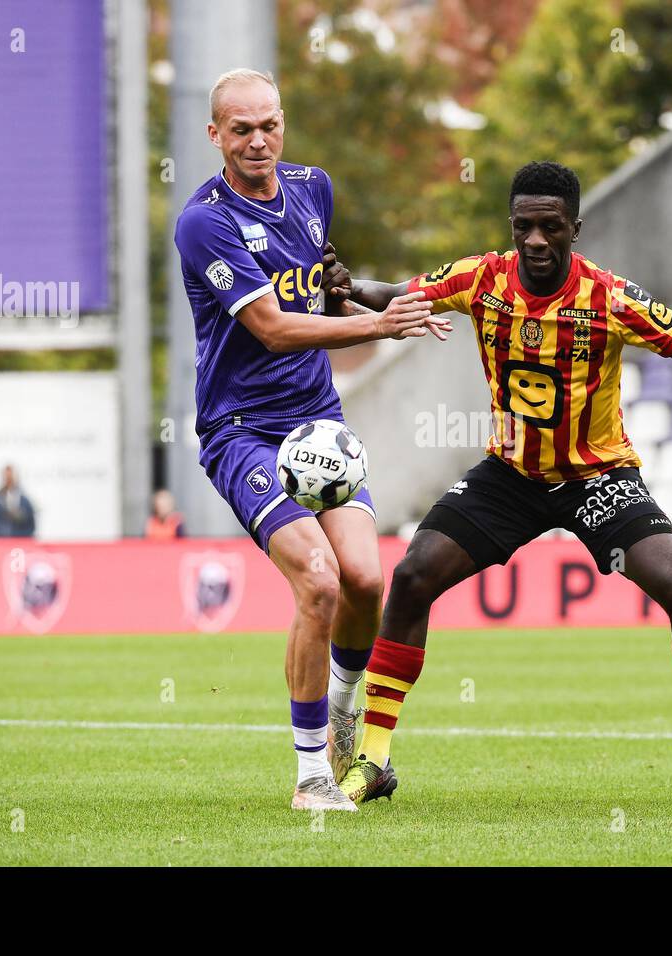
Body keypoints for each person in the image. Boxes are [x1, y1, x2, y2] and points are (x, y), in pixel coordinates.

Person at [335, 161, 672, 805]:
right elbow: (401, 294)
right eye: (523, 226)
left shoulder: (610, 299)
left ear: (574, 228)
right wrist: (351, 287)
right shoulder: (481, 279)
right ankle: (375, 759)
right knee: (413, 577)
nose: (534, 241)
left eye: (550, 227)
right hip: (512, 474)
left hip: (597, 475)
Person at [172, 69, 446, 813]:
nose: (257, 140)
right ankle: (310, 777)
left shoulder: (313, 188)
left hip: (318, 422)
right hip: (243, 431)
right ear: (215, 136)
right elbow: (272, 326)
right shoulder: (204, 222)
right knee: (318, 581)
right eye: (240, 130)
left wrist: (352, 290)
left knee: (365, 579)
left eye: (269, 125)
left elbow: (316, 286)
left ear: (283, 123)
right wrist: (377, 325)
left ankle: (343, 713)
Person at [0, 465, 36, 538]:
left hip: (18, 544)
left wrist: (19, 537)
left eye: (10, 477)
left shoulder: (25, 502)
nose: (8, 480)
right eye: (6, 477)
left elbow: (31, 527)